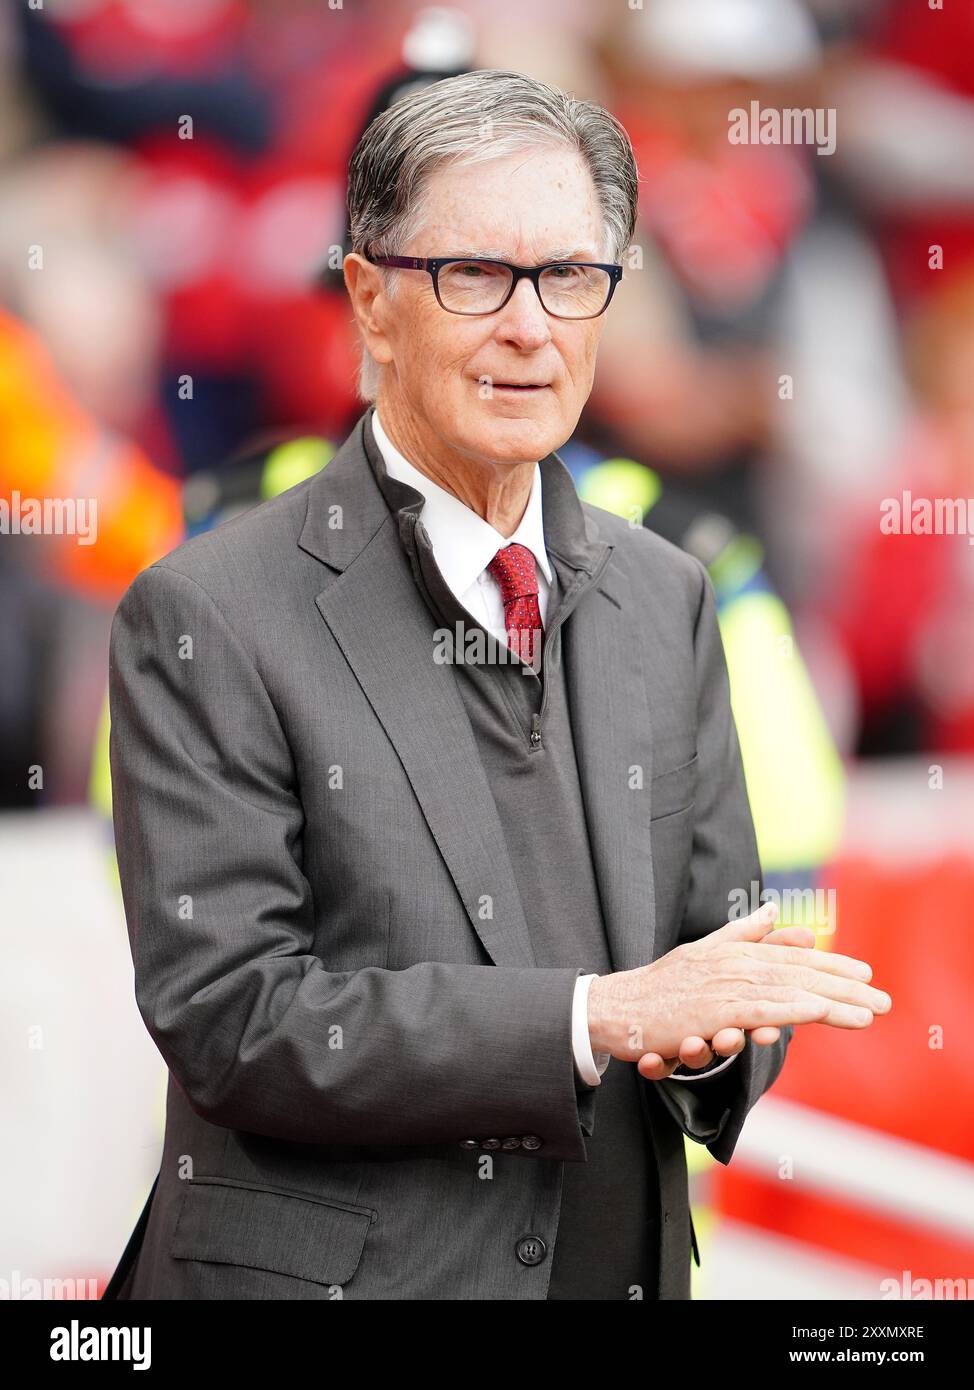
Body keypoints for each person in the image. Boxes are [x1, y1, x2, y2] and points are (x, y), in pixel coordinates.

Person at [102, 69, 889, 1302]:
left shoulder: (670, 594)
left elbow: (717, 954)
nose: (531, 324)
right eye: (473, 273)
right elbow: (234, 1018)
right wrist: (591, 1019)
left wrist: (717, 1029)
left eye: (572, 277)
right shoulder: (204, 608)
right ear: (368, 299)